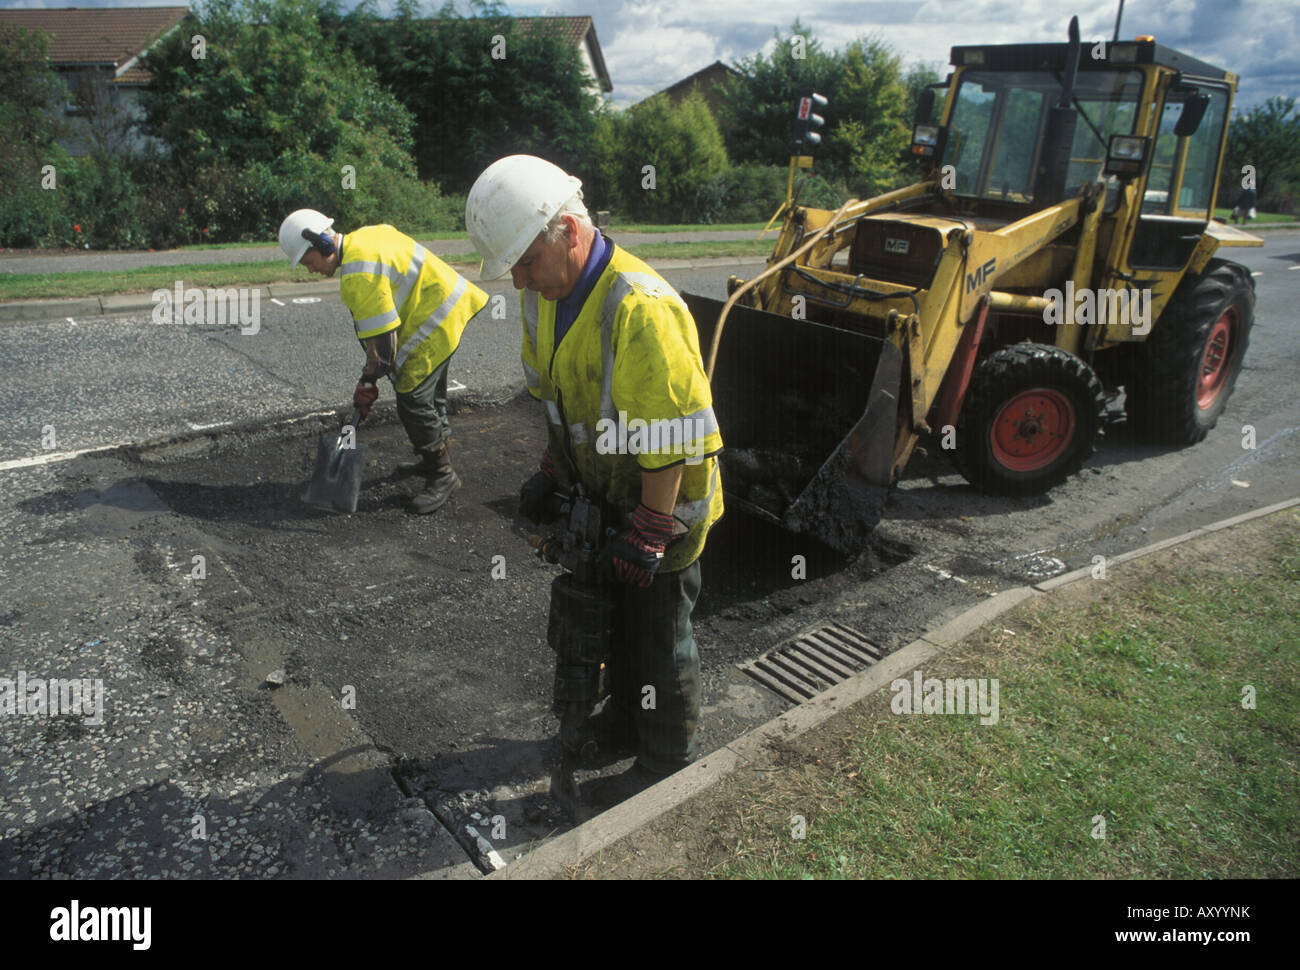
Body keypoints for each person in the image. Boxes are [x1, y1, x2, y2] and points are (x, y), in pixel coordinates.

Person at [465, 155, 724, 804]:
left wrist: (651, 527)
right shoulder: (546, 298)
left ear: (569, 234)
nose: (520, 282)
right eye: (514, 270)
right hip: (608, 497)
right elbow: (555, 394)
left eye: (525, 263)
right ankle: (621, 725)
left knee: (660, 637)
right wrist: (553, 470)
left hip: (663, 507)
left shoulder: (640, 308)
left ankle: (668, 757)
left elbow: (671, 437)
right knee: (622, 625)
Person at [278, 210, 488, 513]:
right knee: (430, 397)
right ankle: (434, 461)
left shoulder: (358, 274)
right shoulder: (366, 235)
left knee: (413, 401)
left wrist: (368, 380)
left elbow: (384, 347)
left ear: (322, 244)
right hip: (448, 305)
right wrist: (371, 377)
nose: (308, 270)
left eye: (307, 261)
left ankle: (443, 475)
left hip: (434, 321)